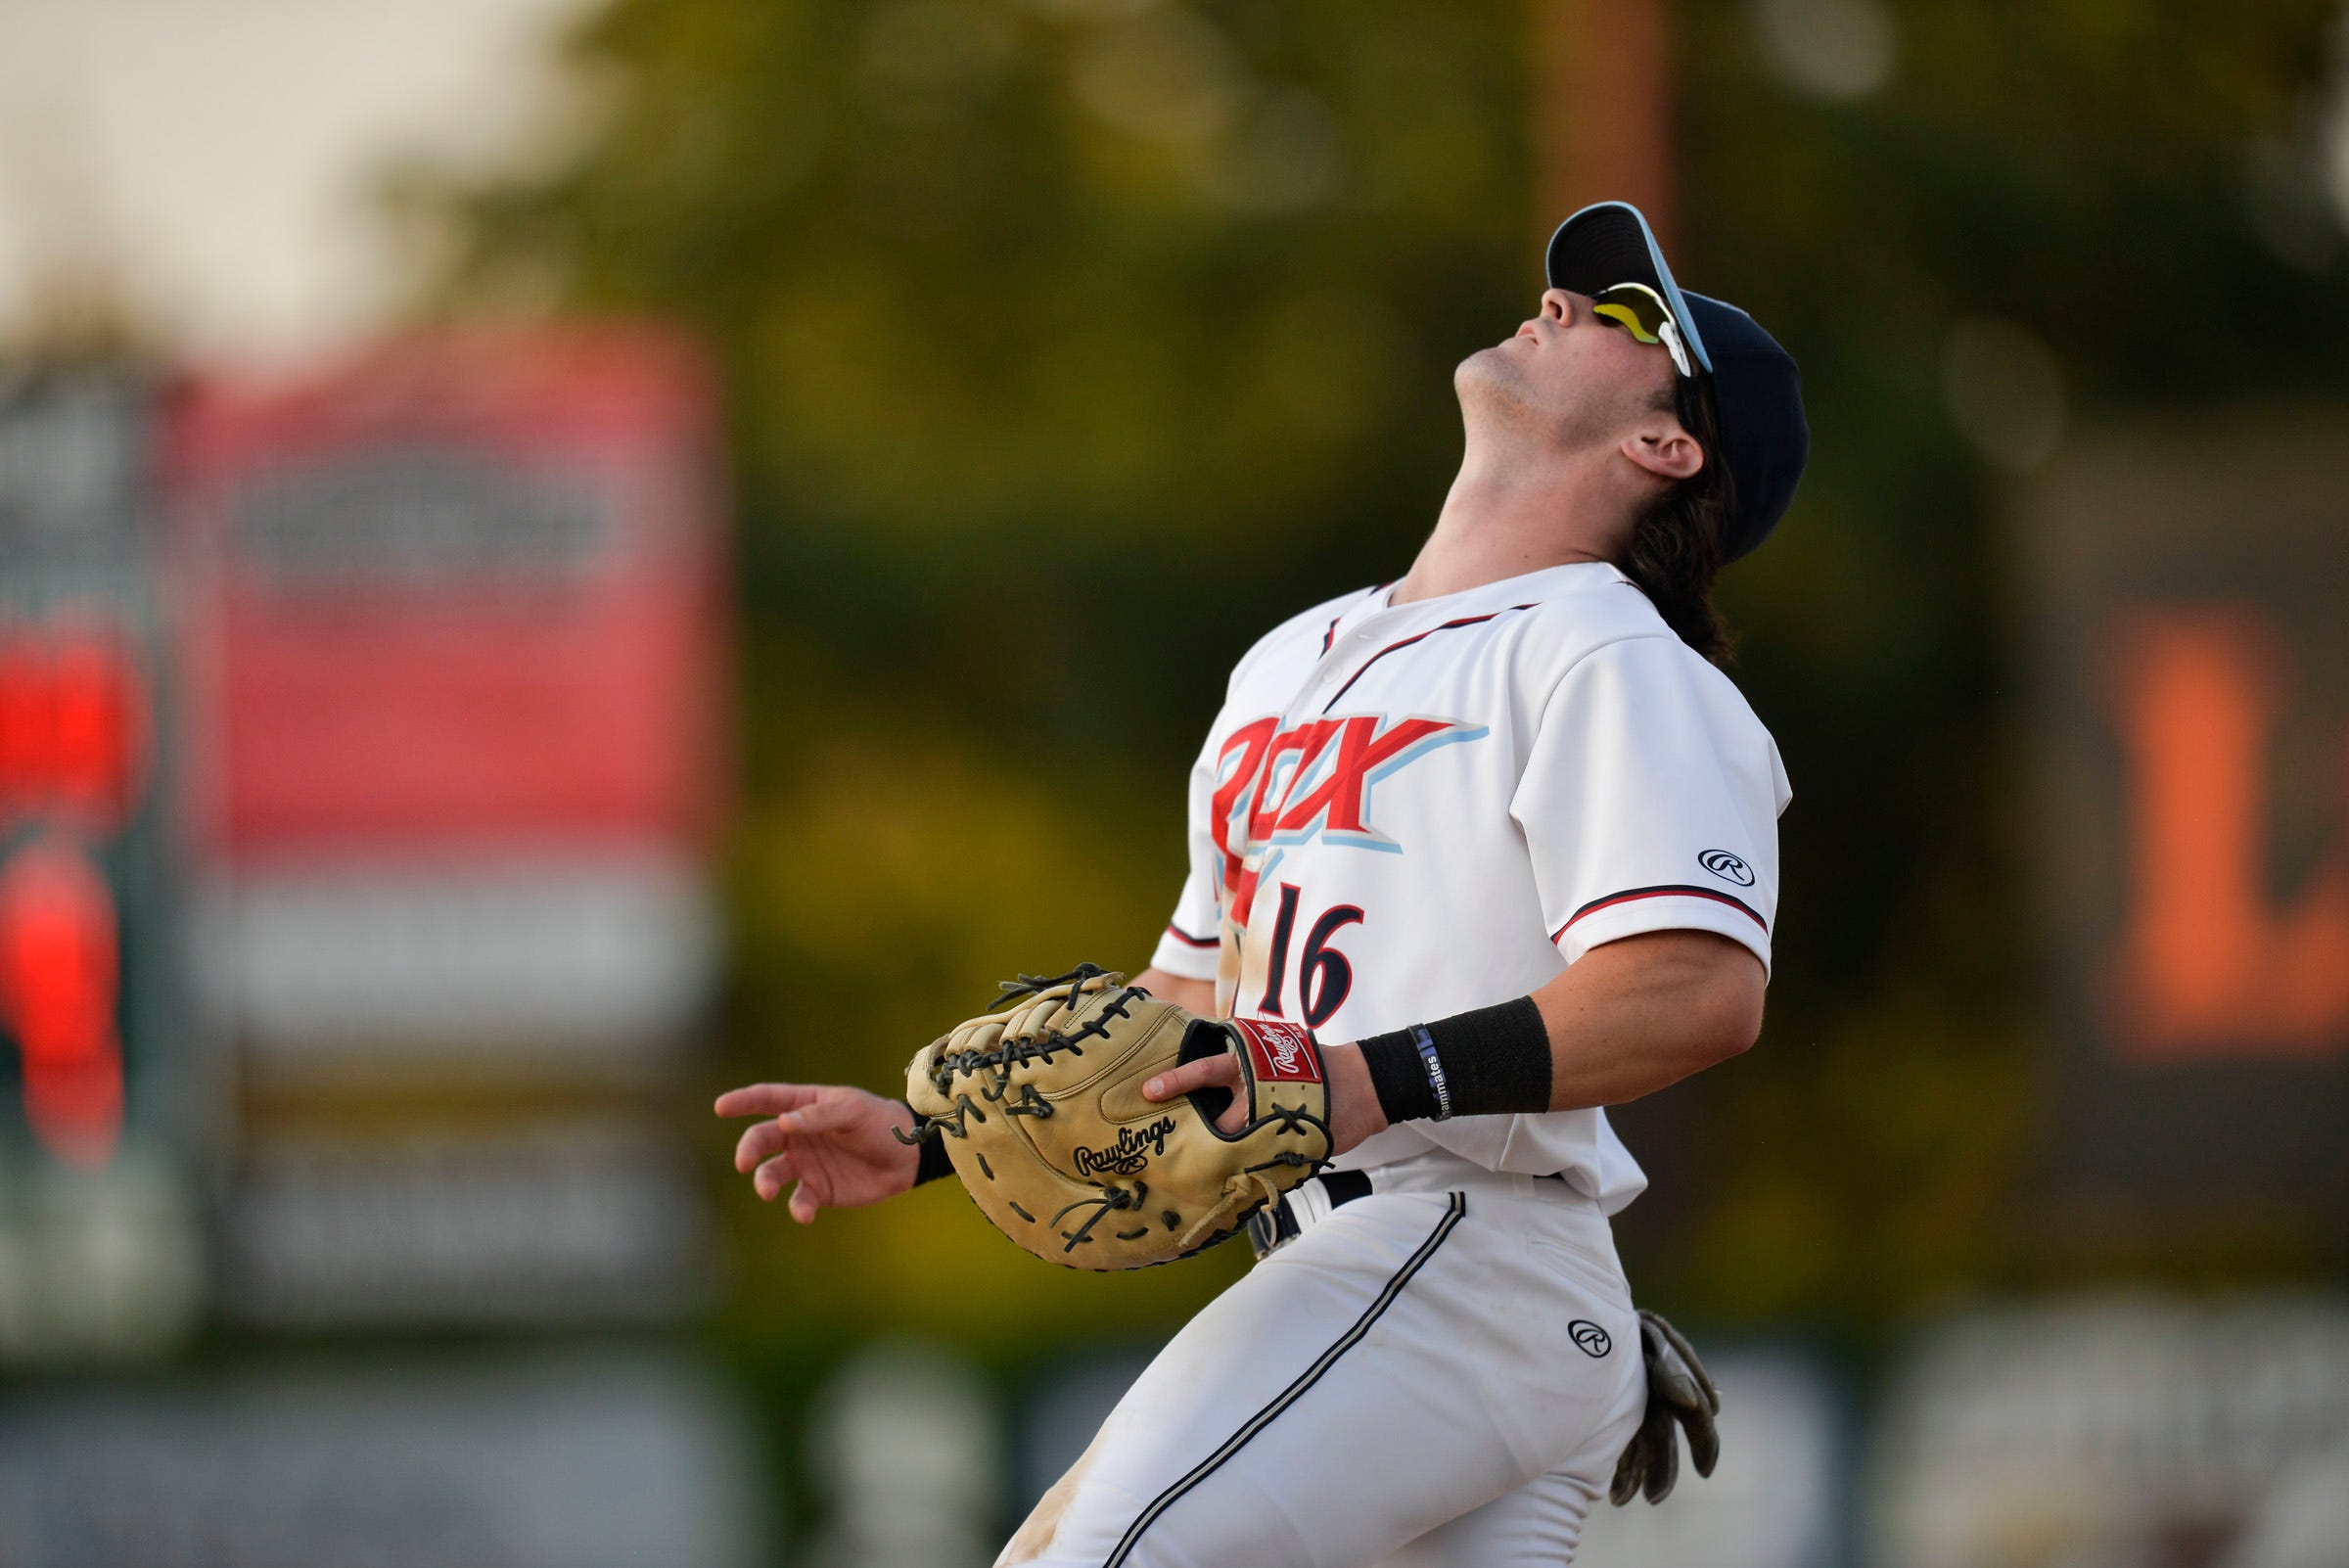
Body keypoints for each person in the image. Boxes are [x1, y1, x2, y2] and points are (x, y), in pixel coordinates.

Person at [717, 200, 1807, 1568]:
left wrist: (1360, 1078)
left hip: (1457, 1256)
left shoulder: (1614, 661)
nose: (1564, 303)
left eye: (1624, 315)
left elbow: (1696, 989)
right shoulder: (1296, 656)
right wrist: (939, 1134)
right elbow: (1189, 1003)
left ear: (1665, 443)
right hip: (1387, 1284)